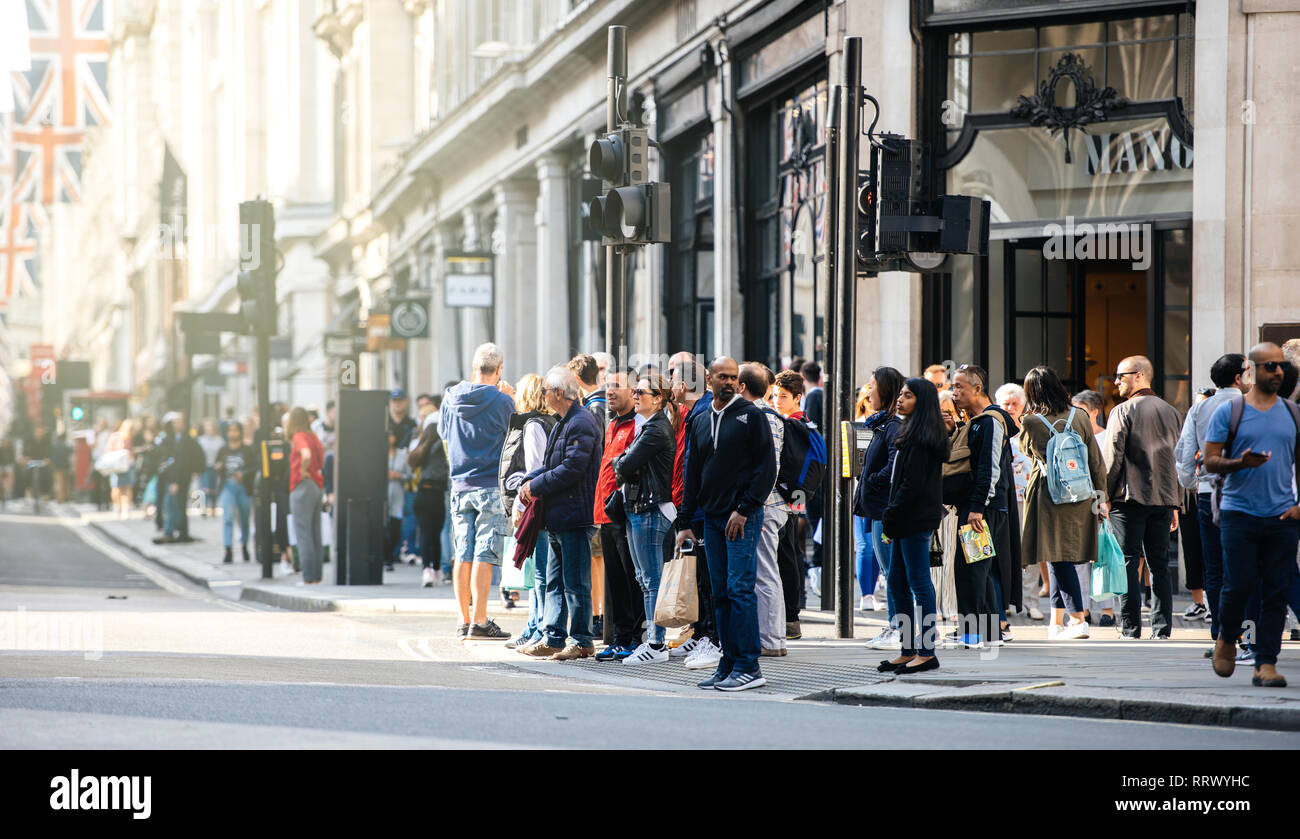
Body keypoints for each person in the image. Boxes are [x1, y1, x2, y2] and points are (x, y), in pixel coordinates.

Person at [675, 356, 778, 692]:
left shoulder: (752, 416)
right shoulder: (700, 417)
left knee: (739, 590)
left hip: (741, 519)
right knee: (719, 593)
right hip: (712, 519)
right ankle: (729, 663)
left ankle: (749, 666)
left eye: (734, 377)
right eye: (723, 376)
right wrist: (685, 521)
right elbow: (692, 470)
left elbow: (766, 469)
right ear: (709, 379)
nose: (730, 382)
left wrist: (745, 509)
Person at [1206, 342, 1300, 688]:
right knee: (1238, 585)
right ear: (1252, 372)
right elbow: (1209, 460)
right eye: (1269, 366)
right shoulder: (1230, 412)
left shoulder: (1292, 413)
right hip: (1238, 512)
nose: (1277, 372)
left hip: (1282, 516)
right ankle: (1227, 639)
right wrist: (1239, 463)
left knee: (1276, 591)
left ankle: (1266, 662)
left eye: (1280, 366)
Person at [518, 366, 604, 660]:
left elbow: (571, 469)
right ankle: (553, 637)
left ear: (558, 393)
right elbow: (551, 464)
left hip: (575, 516)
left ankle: (582, 640)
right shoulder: (562, 422)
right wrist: (529, 482)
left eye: (545, 390)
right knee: (555, 581)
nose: (543, 395)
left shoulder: (581, 422)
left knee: (576, 583)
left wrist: (536, 485)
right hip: (558, 516)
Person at [1019, 366, 1108, 640]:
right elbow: (1096, 460)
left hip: (1048, 493)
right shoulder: (1079, 416)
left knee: (1058, 557)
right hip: (1080, 493)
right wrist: (1101, 497)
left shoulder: (1031, 421)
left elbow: (1025, 449)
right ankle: (1057, 623)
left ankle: (1078, 620)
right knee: (1060, 556)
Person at [439, 342, 516, 640]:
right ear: (498, 370)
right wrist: (510, 397)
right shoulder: (501, 401)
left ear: (474, 368)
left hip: (459, 485)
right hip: (489, 485)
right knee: (485, 551)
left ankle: (463, 619)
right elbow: (516, 437)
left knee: (463, 552)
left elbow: (445, 435)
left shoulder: (450, 397)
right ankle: (480, 620)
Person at [1104, 355, 1183, 640]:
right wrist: (1176, 502)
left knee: (1127, 562)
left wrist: (1104, 495)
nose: (1116, 382)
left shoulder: (1122, 411)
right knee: (1159, 566)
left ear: (1138, 375)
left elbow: (1113, 458)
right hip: (1163, 500)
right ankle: (1162, 629)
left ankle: (1130, 628)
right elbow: (1178, 461)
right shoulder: (1172, 412)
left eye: (1120, 375)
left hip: (1129, 498)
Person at [1177, 353, 1249, 643]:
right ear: (1237, 377)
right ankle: (1245, 632)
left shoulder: (1200, 408)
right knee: (1243, 564)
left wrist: (1193, 483)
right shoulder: (1251, 406)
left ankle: (1221, 632)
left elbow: (1183, 454)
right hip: (1244, 494)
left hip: (1208, 494)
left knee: (1214, 566)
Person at [876, 378, 947, 674]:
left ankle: (927, 651)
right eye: (901, 395)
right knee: (897, 583)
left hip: (913, 520)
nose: (900, 400)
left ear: (922, 401)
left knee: (918, 583)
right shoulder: (912, 432)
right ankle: (908, 649)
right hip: (904, 518)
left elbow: (911, 486)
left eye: (907, 395)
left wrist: (890, 517)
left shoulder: (923, 438)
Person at [613, 371, 679, 664]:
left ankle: (656, 643)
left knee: (651, 579)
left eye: (641, 392)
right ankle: (653, 640)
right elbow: (623, 462)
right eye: (635, 391)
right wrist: (624, 462)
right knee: (644, 578)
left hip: (650, 510)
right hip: (639, 508)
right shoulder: (649, 425)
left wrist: (624, 462)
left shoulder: (655, 429)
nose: (635, 396)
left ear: (659, 399)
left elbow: (624, 465)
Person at [948, 365, 1014, 647]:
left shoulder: (990, 422)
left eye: (960, 386)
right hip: (980, 508)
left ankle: (974, 633)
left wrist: (976, 507)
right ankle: (988, 633)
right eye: (953, 386)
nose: (955, 392)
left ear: (978, 388)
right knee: (979, 570)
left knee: (971, 571)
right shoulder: (980, 420)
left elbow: (989, 470)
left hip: (981, 511)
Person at [669, 357, 722, 668]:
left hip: (704, 511)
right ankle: (702, 633)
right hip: (700, 509)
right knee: (701, 577)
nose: (671, 386)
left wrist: (687, 515)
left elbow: (696, 469)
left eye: (674, 380)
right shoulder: (696, 412)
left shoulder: (700, 413)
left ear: (684, 386)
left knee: (707, 578)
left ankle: (711, 639)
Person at [588, 368, 644, 661]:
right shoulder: (612, 424)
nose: (609, 391)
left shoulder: (638, 424)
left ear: (633, 392)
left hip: (624, 513)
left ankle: (634, 638)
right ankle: (622, 639)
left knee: (630, 580)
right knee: (616, 582)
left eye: (617, 386)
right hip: (605, 514)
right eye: (607, 386)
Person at [498, 374, 557, 642]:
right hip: (545, 506)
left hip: (537, 508)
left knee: (540, 574)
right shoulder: (550, 421)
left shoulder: (534, 425)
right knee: (539, 572)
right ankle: (534, 626)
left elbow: (535, 471)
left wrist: (521, 504)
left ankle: (539, 630)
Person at [739, 362, 789, 657]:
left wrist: (750, 503)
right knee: (763, 571)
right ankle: (768, 637)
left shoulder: (762, 417)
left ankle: (771, 640)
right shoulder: (765, 415)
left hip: (765, 505)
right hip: (767, 504)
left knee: (765, 572)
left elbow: (766, 468)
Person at [854, 367, 905, 650]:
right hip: (877, 509)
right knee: (890, 571)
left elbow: (894, 465)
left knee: (893, 572)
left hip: (885, 510)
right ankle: (895, 626)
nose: (868, 391)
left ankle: (899, 628)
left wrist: (872, 481)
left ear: (884, 390)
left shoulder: (892, 426)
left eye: (872, 386)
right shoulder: (881, 425)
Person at [997, 382, 1046, 623]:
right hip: (1005, 498)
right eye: (1005, 403)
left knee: (1030, 551)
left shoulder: (1030, 428)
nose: (1010, 408)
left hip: (1029, 497)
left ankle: (1031, 601)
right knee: (1005, 550)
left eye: (1014, 403)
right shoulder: (996, 429)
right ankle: (1006, 599)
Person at [568, 353, 607, 632]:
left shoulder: (593, 408)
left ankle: (598, 613)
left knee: (597, 557)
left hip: (597, 490)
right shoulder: (606, 403)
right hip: (604, 489)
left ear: (578, 379)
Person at [1072, 388, 1115, 625]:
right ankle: (1083, 609)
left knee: (1103, 557)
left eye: (1081, 411)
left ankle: (1107, 609)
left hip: (1101, 501)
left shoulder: (1107, 436)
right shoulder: (1071, 436)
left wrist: (1105, 501)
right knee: (1080, 559)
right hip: (1078, 502)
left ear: (1095, 412)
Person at [771, 368, 808, 639]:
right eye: (774, 395)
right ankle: (790, 616)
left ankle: (790, 617)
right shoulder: (793, 422)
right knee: (789, 553)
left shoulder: (794, 424)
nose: (776, 401)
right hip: (793, 497)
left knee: (787, 554)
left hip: (786, 497)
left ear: (797, 397)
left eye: (783, 396)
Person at [286, 407, 325, 584]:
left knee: (303, 534)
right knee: (315, 534)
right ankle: (317, 576)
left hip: (302, 486)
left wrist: (302, 470)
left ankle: (308, 577)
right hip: (317, 485)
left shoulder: (299, 436)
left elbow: (306, 454)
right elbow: (320, 458)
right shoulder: (314, 436)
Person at [387, 389, 420, 565]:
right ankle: (391, 552)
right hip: (388, 478)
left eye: (400, 400)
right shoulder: (385, 423)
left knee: (406, 516)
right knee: (390, 518)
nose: (397, 404)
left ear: (406, 402)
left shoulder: (412, 424)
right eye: (394, 401)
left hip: (406, 476)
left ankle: (406, 549)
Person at [215, 422, 255, 563]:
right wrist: (218, 467)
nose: (233, 434)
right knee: (228, 517)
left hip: (243, 487)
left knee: (244, 519)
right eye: (230, 431)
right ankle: (228, 550)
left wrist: (243, 474)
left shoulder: (247, 450)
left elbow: (253, 467)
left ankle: (244, 545)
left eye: (235, 430)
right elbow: (217, 466)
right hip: (228, 486)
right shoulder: (223, 450)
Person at [384, 428, 409, 573]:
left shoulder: (402, 455)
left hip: (398, 493)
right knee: (384, 527)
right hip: (383, 493)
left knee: (395, 526)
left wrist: (398, 475)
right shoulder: (379, 455)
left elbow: (409, 474)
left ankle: (392, 553)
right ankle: (387, 557)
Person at [106, 419, 137, 519]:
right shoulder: (115, 436)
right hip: (117, 466)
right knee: (116, 487)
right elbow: (108, 449)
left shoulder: (131, 438)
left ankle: (126, 509)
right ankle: (117, 507)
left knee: (128, 487)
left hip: (129, 465)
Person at [197, 420, 224, 517]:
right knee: (203, 487)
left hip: (215, 467)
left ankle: (213, 507)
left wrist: (220, 463)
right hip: (204, 467)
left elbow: (223, 454)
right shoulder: (200, 440)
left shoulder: (220, 441)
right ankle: (202, 508)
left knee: (214, 487)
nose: (209, 430)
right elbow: (197, 455)